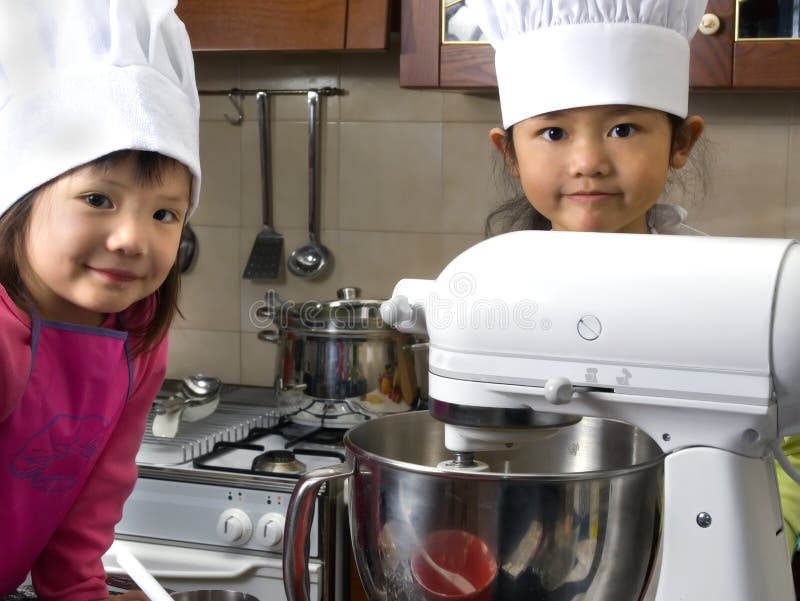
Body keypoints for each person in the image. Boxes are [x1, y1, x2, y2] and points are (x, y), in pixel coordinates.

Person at [464, 0, 800, 557]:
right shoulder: (495, 292)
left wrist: (768, 533)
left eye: (623, 128)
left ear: (681, 144)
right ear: (509, 155)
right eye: (552, 133)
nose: (588, 160)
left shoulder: (729, 294)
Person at [0, 1, 201, 600]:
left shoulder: (137, 338)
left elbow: (94, 494)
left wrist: (81, 592)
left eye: (165, 213)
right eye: (98, 199)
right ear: (21, 199)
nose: (132, 239)